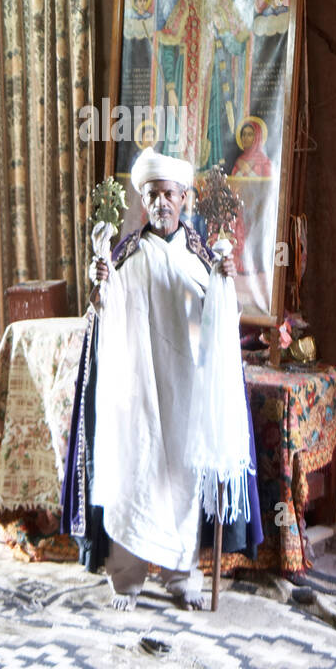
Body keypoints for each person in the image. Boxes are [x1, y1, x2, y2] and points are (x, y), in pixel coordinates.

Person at [61, 149, 262, 610]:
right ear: (143, 200)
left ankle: (180, 576)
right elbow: (104, 316)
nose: (161, 203)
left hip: (185, 389)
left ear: (183, 197)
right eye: (152, 195)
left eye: (169, 194)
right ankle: (126, 579)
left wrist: (224, 283)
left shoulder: (201, 256)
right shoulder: (126, 255)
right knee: (134, 472)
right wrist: (100, 285)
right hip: (135, 388)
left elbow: (217, 324)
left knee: (179, 481)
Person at [158, 0, 251, 171]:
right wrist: (171, 87)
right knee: (181, 137)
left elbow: (238, 44)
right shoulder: (185, 3)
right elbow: (167, 45)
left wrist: (225, 31)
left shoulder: (222, 1)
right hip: (184, 79)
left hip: (213, 80)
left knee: (210, 135)